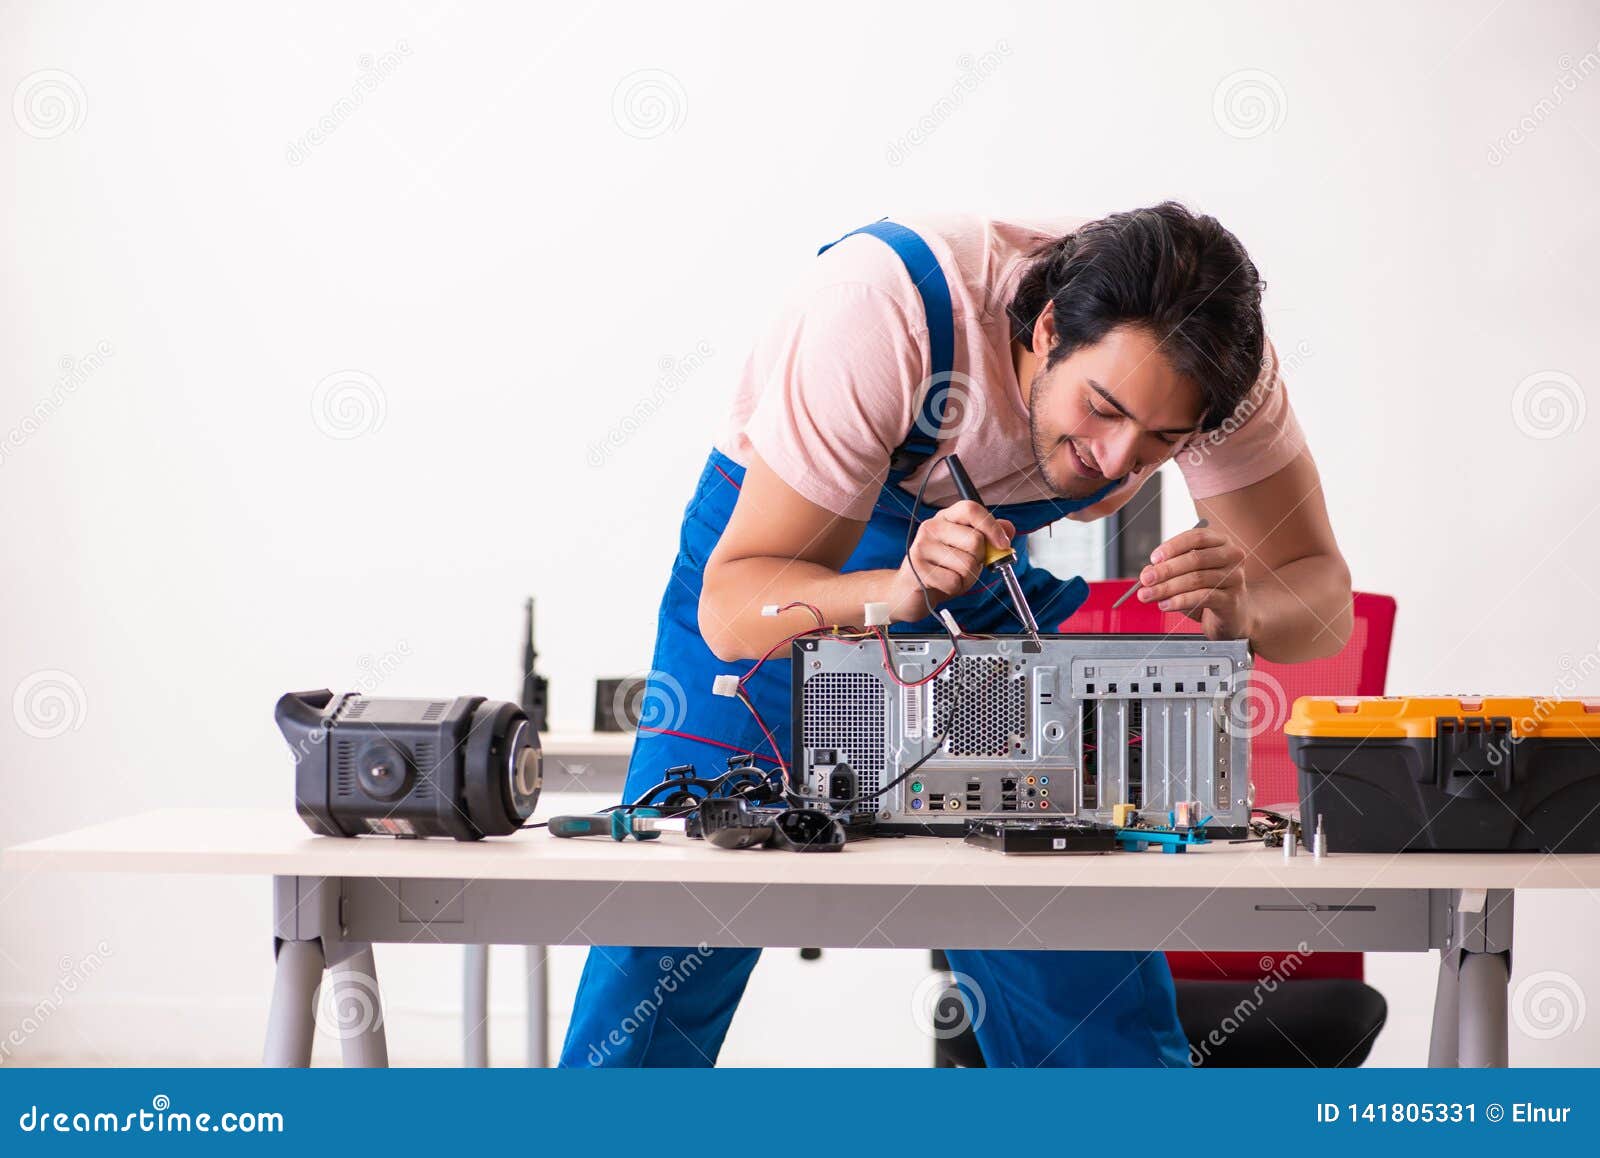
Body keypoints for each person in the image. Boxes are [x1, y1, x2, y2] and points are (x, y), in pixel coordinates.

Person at [560, 203, 1351, 1068]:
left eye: (1165, 441)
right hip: (785, 573)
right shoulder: (883, 312)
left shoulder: (1222, 368)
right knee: (668, 945)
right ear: (1048, 329)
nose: (1122, 459)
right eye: (1102, 410)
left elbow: (1320, 602)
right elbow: (734, 605)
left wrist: (1247, 615)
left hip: (978, 582)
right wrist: (893, 591)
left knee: (1074, 954)